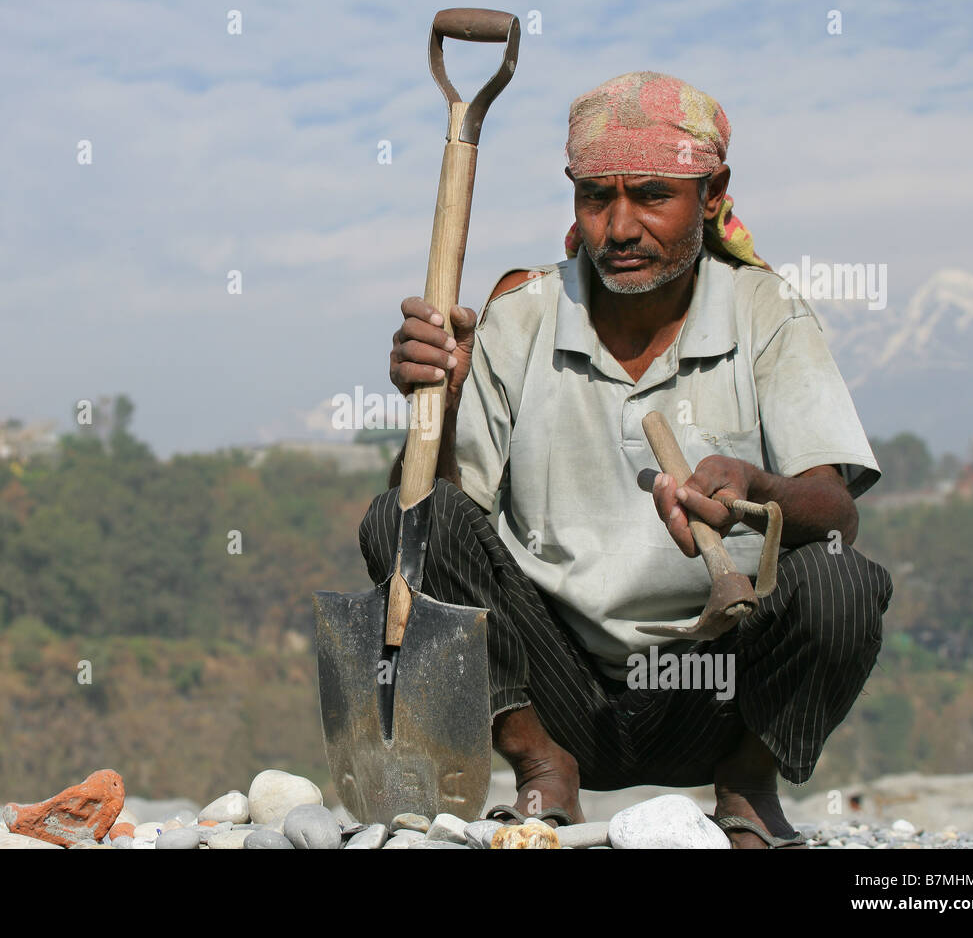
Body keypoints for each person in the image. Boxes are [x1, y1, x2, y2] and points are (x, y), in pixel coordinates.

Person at [361, 71, 894, 849]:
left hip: (711, 688)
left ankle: (747, 789)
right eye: (595, 198)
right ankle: (544, 774)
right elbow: (441, 524)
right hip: (556, 690)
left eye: (651, 195)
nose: (619, 226)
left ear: (711, 195)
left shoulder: (765, 312)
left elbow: (834, 509)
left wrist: (754, 487)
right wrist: (434, 404)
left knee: (844, 579)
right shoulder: (523, 316)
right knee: (399, 518)